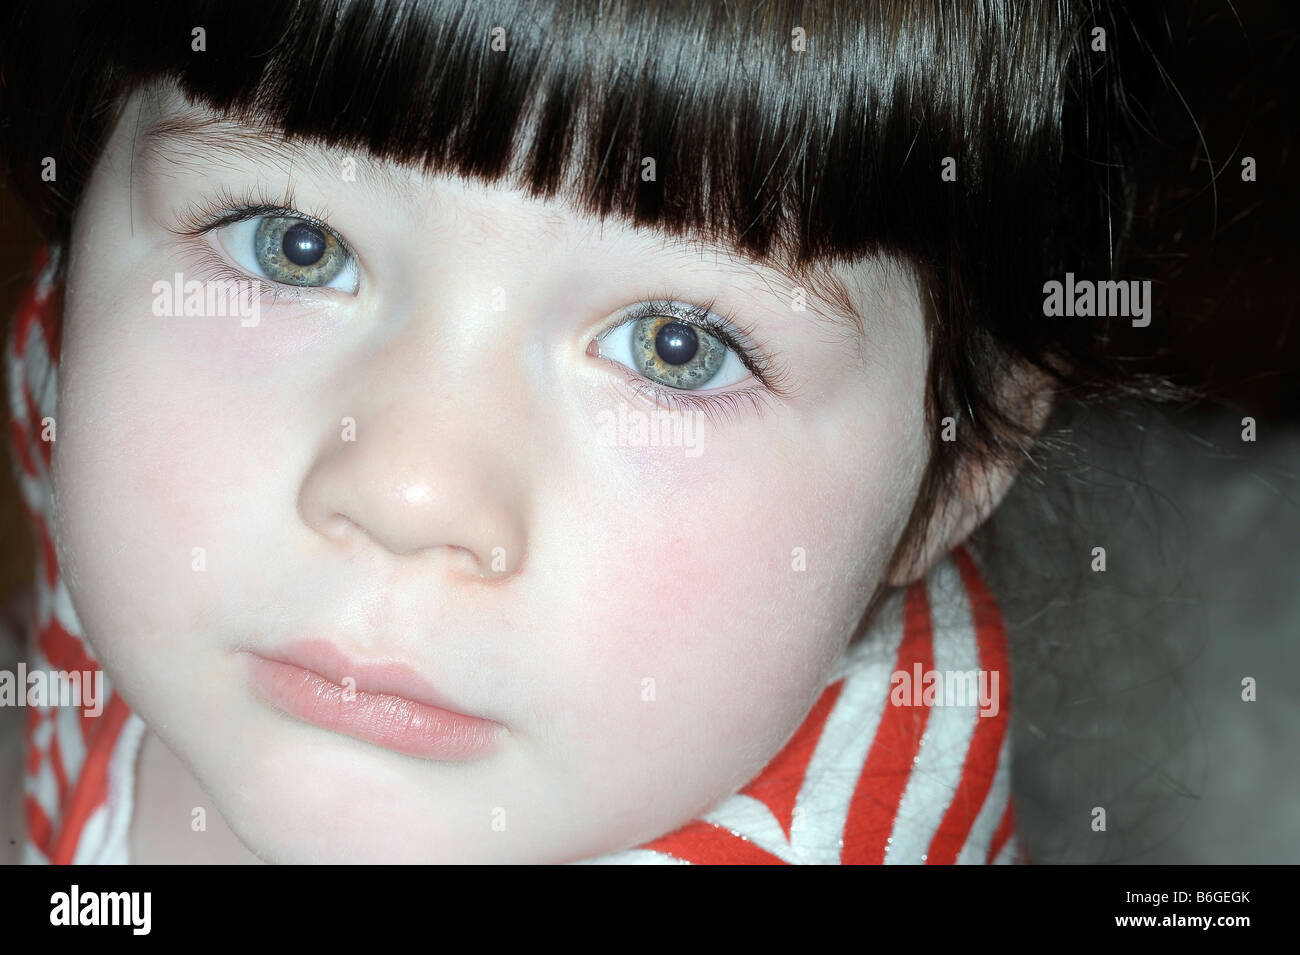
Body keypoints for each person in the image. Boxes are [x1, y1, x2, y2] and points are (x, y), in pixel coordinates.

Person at [0, 0, 1184, 863]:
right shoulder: (96, 380)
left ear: (953, 476)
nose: (408, 492)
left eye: (677, 345)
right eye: (291, 244)